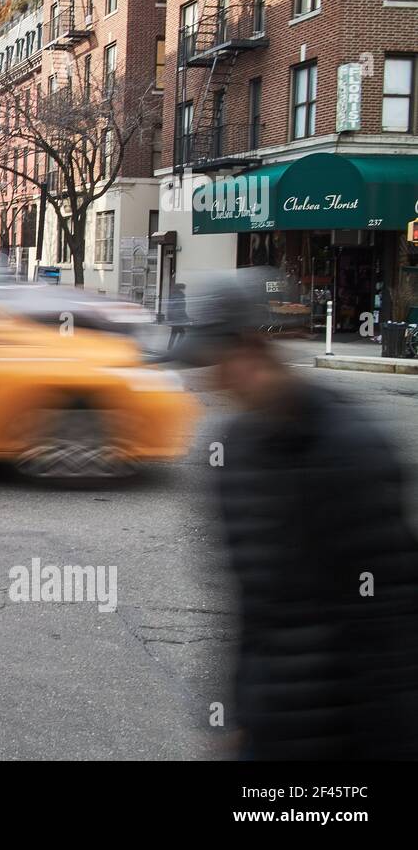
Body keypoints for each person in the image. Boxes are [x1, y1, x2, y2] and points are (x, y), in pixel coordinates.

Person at [179, 269, 418, 759]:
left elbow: (389, 624)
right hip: (268, 726)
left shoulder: (352, 451)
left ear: (251, 346)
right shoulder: (232, 452)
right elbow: (249, 606)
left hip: (347, 735)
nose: (211, 376)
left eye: (218, 359)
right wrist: (237, 714)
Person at [166, 280, 189, 350]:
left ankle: (170, 348)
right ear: (180, 289)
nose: (184, 290)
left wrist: (170, 318)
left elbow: (171, 308)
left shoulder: (174, 296)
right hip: (177, 319)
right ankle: (177, 348)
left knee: (174, 333)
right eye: (183, 288)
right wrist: (186, 318)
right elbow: (181, 310)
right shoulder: (179, 297)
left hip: (174, 319)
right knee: (182, 333)